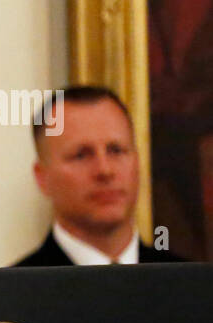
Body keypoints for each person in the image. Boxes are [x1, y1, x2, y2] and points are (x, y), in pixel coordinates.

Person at [14, 86, 183, 266]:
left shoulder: (193, 286)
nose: (105, 170)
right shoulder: (10, 291)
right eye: (81, 155)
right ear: (42, 178)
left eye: (116, 150)